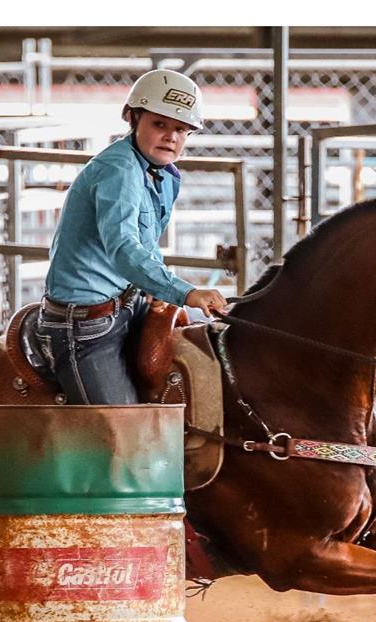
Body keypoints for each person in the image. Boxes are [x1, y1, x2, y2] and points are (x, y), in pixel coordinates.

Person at [37, 69, 228, 404]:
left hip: (127, 304)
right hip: (85, 325)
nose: (170, 137)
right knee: (124, 424)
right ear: (132, 117)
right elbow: (124, 249)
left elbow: (145, 244)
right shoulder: (119, 170)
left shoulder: (163, 175)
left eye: (181, 129)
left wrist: (156, 287)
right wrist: (184, 292)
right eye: (159, 124)